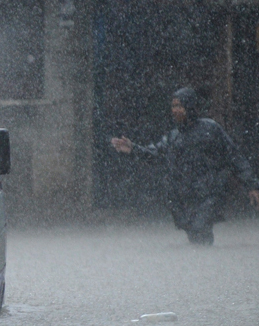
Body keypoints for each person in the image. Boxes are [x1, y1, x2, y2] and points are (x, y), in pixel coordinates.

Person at [111, 87, 259, 245]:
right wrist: (134, 148)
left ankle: (204, 262)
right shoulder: (174, 136)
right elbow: (156, 153)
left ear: (190, 107)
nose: (175, 110)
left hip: (210, 193)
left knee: (200, 228)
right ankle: (201, 264)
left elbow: (234, 156)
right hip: (185, 198)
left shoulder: (210, 129)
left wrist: (251, 185)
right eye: (173, 106)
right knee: (194, 234)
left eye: (179, 106)